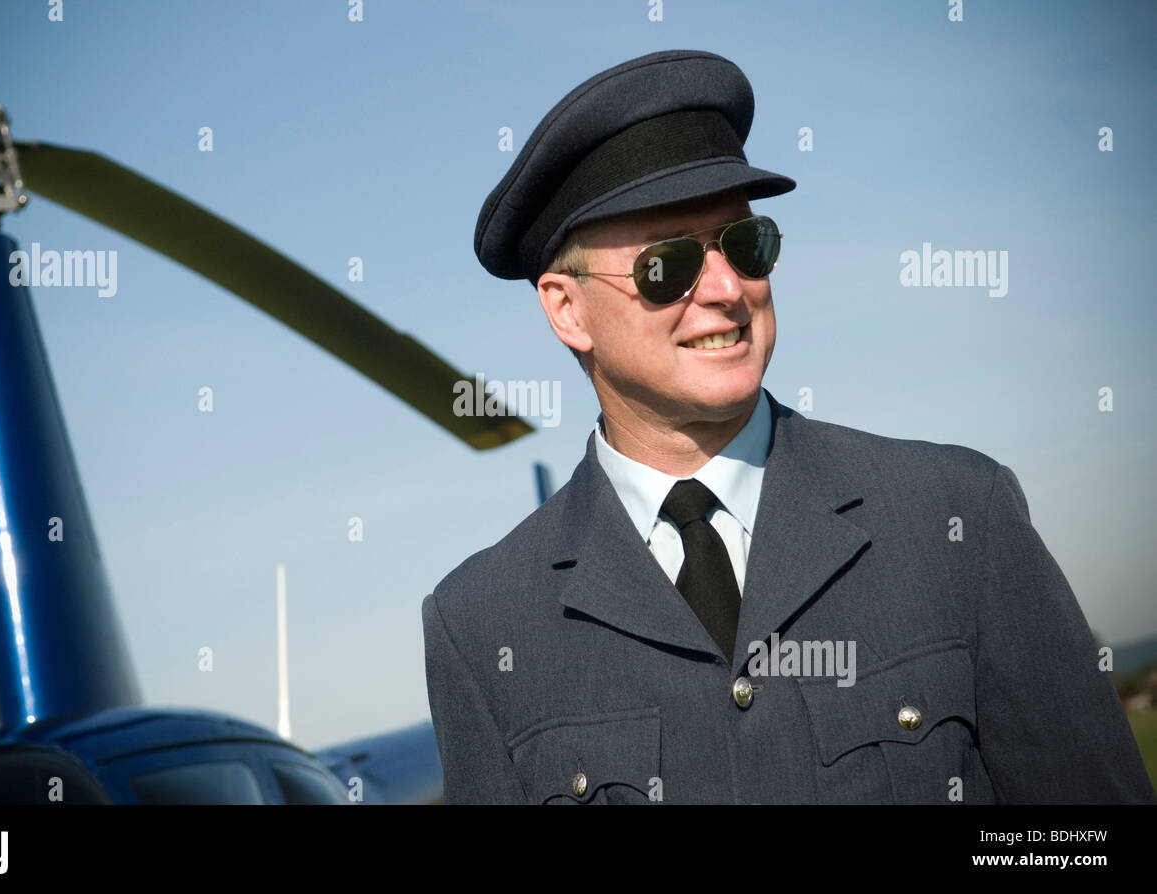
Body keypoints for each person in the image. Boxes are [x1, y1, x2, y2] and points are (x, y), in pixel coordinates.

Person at [421, 49, 1154, 804]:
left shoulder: (960, 516)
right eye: (667, 265)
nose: (728, 289)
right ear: (566, 309)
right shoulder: (480, 626)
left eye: (745, 244)